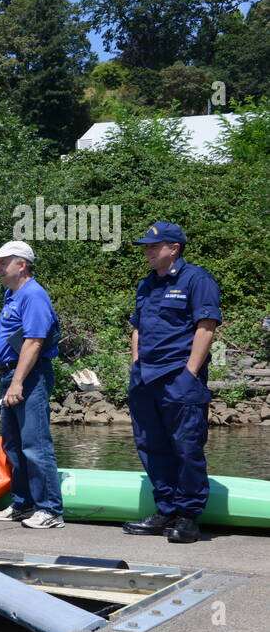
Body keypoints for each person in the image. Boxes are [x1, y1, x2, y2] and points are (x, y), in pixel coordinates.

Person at [123, 222, 222, 544]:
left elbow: (206, 326)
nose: (147, 251)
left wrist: (190, 372)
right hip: (145, 378)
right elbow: (137, 327)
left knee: (186, 446)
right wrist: (136, 364)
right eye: (146, 247)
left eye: (153, 246)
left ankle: (188, 515)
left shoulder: (197, 279)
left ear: (174, 248)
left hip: (179, 377)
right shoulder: (146, 284)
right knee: (151, 446)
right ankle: (165, 509)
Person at [0, 240, 64, 529]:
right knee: (14, 445)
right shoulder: (12, 294)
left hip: (28, 377)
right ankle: (23, 503)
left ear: (22, 264)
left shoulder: (33, 295)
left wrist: (17, 383)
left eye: (4, 262)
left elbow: (34, 341)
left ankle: (50, 510)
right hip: (10, 375)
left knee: (35, 444)